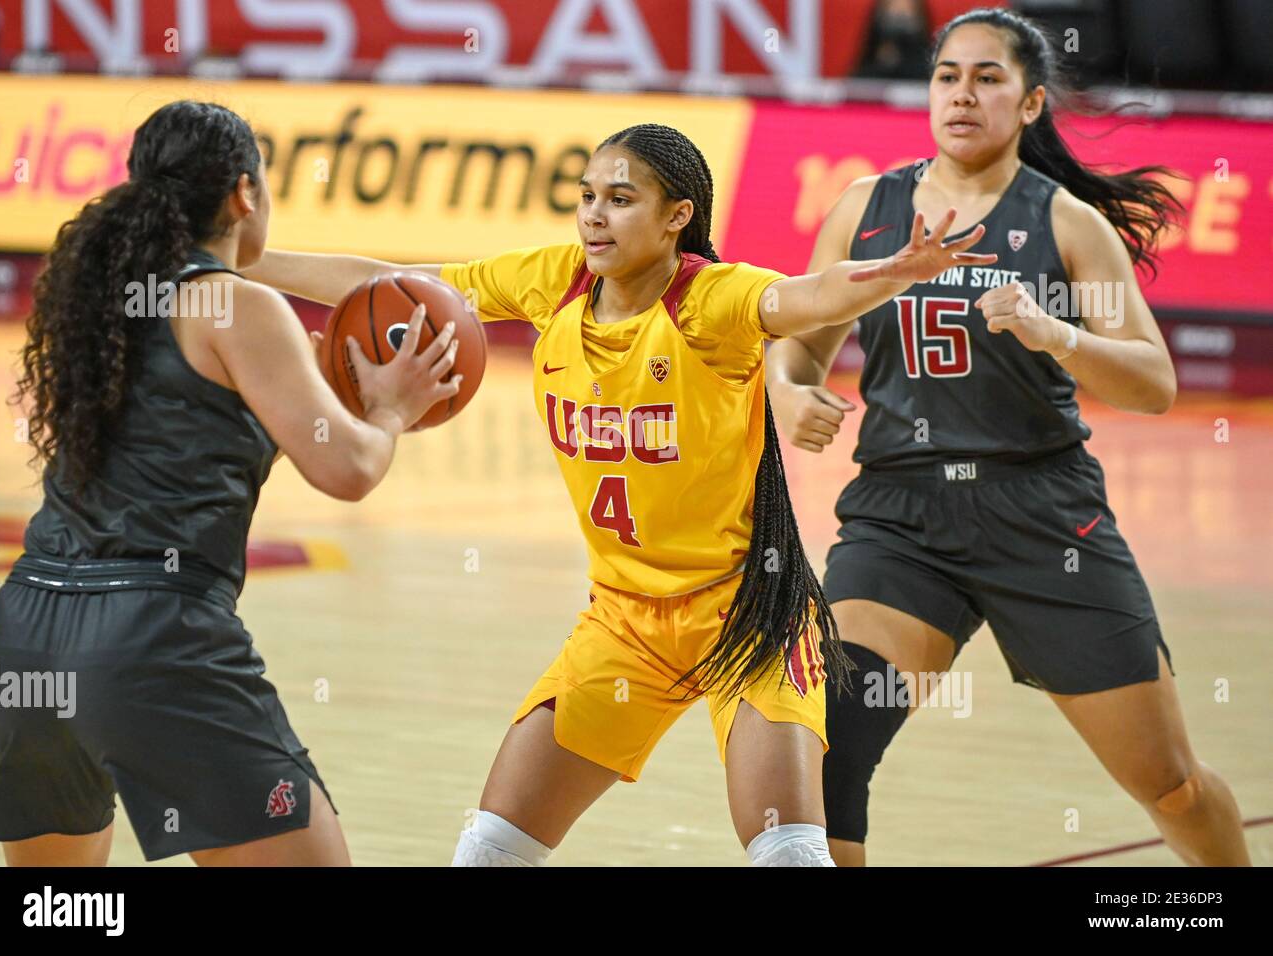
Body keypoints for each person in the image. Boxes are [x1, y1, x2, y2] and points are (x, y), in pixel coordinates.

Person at [247, 122, 995, 867]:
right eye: (587, 197)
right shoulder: (556, 280)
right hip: (625, 622)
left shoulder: (711, 301)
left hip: (747, 617)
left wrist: (893, 271)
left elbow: (809, 298)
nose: (595, 216)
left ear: (678, 217)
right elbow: (392, 288)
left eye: (621, 199)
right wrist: (248, 260)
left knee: (791, 855)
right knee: (486, 853)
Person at [767, 8, 1251, 866]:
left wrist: (1057, 333)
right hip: (901, 521)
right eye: (948, 76)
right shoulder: (865, 208)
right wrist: (788, 391)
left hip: (1044, 519)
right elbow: (797, 343)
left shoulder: (1067, 225)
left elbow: (1153, 381)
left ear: (1030, 104)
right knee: (830, 745)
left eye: (987, 78)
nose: (962, 94)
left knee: (1168, 783)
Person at [0, 100, 461, 866]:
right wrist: (392, 409)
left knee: (62, 919)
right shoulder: (241, 307)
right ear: (245, 192)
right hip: (150, 639)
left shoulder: (94, 292)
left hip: (27, 635)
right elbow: (351, 469)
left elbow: (177, 451)